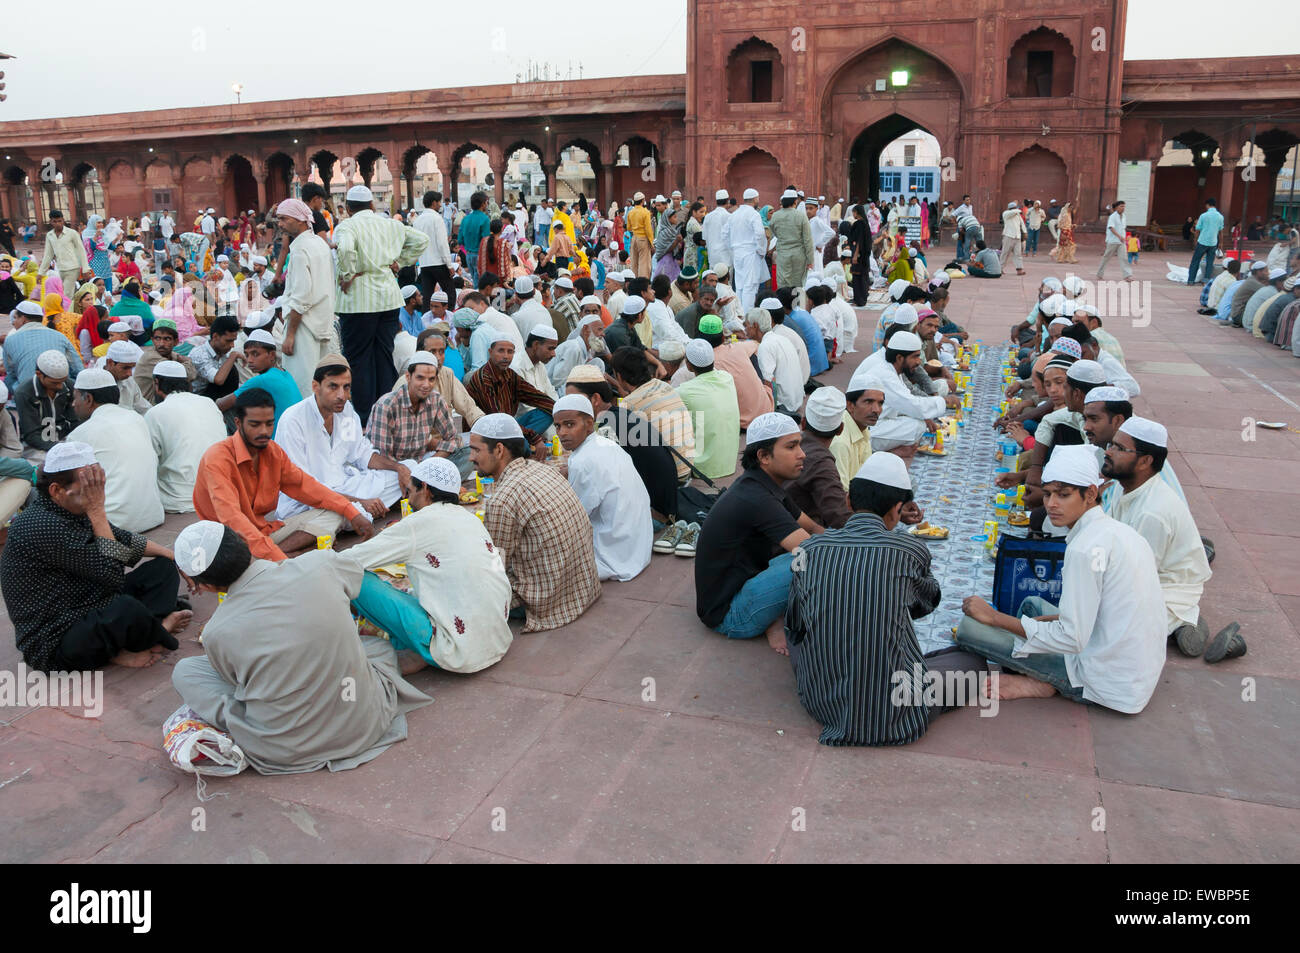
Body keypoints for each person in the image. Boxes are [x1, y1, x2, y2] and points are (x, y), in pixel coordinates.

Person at [170, 522, 430, 774]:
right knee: (372, 647)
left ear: (207, 586)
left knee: (186, 672)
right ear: (245, 542)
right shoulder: (321, 563)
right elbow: (354, 579)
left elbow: (233, 680)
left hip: (285, 747)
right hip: (365, 724)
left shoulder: (217, 631)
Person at [956, 446, 1167, 711]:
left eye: (1063, 495)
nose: (1051, 504)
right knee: (1032, 605)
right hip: (1135, 672)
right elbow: (1107, 609)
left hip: (1106, 681)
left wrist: (994, 618)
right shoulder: (1118, 532)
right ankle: (1041, 674)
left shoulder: (1085, 548)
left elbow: (1072, 639)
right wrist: (1048, 620)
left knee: (970, 628)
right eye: (1048, 494)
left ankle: (1048, 683)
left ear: (1090, 494)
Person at [788, 451, 970, 745]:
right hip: (898, 714)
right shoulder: (910, 549)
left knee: (798, 642)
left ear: (849, 500)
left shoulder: (810, 549)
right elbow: (927, 602)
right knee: (969, 661)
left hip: (822, 703)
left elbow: (796, 623)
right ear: (897, 509)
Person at [0, 443, 192, 671]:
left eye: (98, 486)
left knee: (163, 569)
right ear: (56, 491)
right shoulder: (42, 524)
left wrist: (175, 557)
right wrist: (97, 511)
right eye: (89, 489)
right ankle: (160, 628)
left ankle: (135, 636)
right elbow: (113, 577)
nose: (96, 495)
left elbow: (121, 540)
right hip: (56, 638)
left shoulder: (71, 507)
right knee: (125, 608)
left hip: (89, 600)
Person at [344, 457, 513, 674]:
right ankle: (421, 648)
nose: (407, 495)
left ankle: (428, 649)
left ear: (424, 488)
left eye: (409, 489)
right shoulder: (470, 518)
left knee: (354, 577)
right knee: (413, 590)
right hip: (498, 639)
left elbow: (349, 561)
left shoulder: (418, 523)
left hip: (459, 653)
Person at [1103, 417, 1243, 663]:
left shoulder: (1152, 512)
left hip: (1169, 585)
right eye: (1111, 445)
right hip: (1143, 572)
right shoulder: (1123, 485)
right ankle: (1178, 621)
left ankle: (1185, 618)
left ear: (1145, 461)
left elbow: (1137, 576)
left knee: (1113, 630)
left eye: (1119, 448)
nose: (1109, 452)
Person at [694, 412, 825, 654]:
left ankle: (772, 618)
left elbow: (814, 529)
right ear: (763, 456)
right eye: (791, 446)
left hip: (747, 583)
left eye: (800, 444)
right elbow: (816, 554)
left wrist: (849, 541)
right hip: (728, 614)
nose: (802, 454)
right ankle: (768, 619)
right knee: (818, 563)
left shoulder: (764, 484)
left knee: (817, 554)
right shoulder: (756, 498)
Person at [193, 388, 374, 561]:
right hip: (228, 542)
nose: (264, 431)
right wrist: (284, 563)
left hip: (264, 533)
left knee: (335, 513)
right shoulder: (217, 459)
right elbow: (232, 520)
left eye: (269, 424)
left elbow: (308, 487)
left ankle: (275, 557)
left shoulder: (272, 452)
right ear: (238, 423)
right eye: (255, 425)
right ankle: (279, 558)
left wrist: (352, 512)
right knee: (235, 561)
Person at [469, 413, 601, 631]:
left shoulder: (502, 500)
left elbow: (493, 567)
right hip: (582, 588)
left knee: (466, 578)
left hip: (546, 600)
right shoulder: (544, 469)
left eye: (476, 450)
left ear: (499, 450)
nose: (470, 458)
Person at [275, 355, 415, 529]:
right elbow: (302, 486)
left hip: (346, 486)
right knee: (352, 513)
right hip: (307, 502)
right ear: (315, 387)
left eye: (346, 387)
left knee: (412, 469)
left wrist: (399, 468)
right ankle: (356, 514)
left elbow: (361, 454)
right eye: (333, 386)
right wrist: (359, 502)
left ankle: (360, 512)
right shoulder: (293, 420)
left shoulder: (346, 412)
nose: (342, 396)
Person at [333, 185, 429, 421]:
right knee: (384, 356)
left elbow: (344, 249)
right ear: (372, 205)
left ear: (347, 208)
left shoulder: (348, 225)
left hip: (358, 299)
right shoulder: (390, 224)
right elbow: (421, 240)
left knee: (359, 359)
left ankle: (366, 417)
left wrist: (347, 275)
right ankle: (387, 413)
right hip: (387, 297)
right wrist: (400, 261)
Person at [553, 394, 653, 581]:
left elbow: (577, 518)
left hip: (616, 554)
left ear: (589, 423)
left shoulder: (584, 461)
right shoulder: (605, 444)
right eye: (557, 426)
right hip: (638, 545)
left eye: (569, 424)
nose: (562, 433)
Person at [66, 367, 165, 533]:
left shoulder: (80, 434)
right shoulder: (137, 419)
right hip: (152, 516)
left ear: (88, 399)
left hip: (113, 525)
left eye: (75, 397)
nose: (73, 404)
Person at [144, 360, 227, 513]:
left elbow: (148, 463)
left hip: (180, 500)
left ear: (157, 383)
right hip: (220, 495)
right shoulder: (208, 403)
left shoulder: (156, 413)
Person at [365, 352, 465, 471]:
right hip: (392, 469)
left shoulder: (436, 400)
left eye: (431, 379)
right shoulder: (387, 405)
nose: (426, 385)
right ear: (408, 376)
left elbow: (454, 439)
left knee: (467, 454)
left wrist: (430, 463)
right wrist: (404, 471)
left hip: (422, 463)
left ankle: (427, 484)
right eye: (420, 378)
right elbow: (380, 458)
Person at [465, 334, 555, 444]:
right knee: (519, 445)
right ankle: (522, 445)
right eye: (501, 351)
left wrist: (562, 410)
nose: (506, 356)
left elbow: (535, 396)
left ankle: (522, 443)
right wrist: (535, 437)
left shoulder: (510, 374)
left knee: (548, 411)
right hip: (488, 434)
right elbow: (499, 420)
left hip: (508, 426)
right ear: (490, 352)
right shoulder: (484, 378)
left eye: (510, 352)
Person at [785, 387, 854, 529]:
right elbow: (839, 518)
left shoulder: (787, 446)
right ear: (841, 429)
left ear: (803, 423)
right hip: (790, 541)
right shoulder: (821, 463)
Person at [675, 338, 740, 480]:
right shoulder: (727, 378)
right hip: (729, 463)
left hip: (703, 468)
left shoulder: (684, 390)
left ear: (689, 365)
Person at [216, 329, 301, 434]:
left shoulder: (263, 380)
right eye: (247, 355)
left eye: (255, 354)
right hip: (295, 434)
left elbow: (220, 405)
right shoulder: (285, 374)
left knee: (228, 410)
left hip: (277, 440)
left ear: (272, 355)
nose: (249, 360)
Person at [4, 299, 84, 391]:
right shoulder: (60, 336)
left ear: (23, 319)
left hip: (27, 391)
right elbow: (77, 368)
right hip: (60, 388)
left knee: (8, 379)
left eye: (15, 318)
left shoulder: (10, 339)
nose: (13, 322)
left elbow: (11, 371)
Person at [14, 350, 77, 461]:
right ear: (39, 374)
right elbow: (31, 434)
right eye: (54, 383)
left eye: (62, 381)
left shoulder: (69, 386)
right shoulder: (24, 393)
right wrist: (57, 449)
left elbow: (75, 422)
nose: (59, 386)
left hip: (65, 440)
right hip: (36, 446)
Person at [830, 374, 884, 489]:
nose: (876, 410)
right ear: (850, 405)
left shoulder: (862, 427)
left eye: (880, 403)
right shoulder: (840, 443)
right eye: (868, 402)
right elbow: (841, 494)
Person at [728, 188, 768, 311]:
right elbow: (760, 234)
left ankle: (740, 314)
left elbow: (724, 233)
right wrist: (761, 251)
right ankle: (747, 316)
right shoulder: (753, 214)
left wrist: (733, 247)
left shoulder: (734, 214)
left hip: (738, 252)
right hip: (751, 252)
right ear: (755, 199)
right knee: (750, 286)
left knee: (740, 286)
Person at [414, 190, 456, 304]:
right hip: (439, 263)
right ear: (434, 203)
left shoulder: (417, 220)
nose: (440, 205)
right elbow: (442, 244)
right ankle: (449, 318)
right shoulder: (437, 219)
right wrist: (449, 265)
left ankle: (427, 319)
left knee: (427, 296)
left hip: (425, 263)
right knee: (450, 294)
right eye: (439, 202)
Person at [770, 190, 814, 288]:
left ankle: (784, 302)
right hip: (799, 255)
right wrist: (810, 259)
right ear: (795, 201)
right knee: (797, 284)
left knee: (782, 282)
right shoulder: (801, 216)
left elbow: (774, 232)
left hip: (782, 254)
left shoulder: (775, 216)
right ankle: (796, 303)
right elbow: (808, 240)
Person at [37, 211, 91, 290]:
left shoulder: (72, 233)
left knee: (66, 293)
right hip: (60, 269)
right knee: (66, 292)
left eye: (60, 221)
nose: (58, 224)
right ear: (51, 222)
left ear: (63, 220)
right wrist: (41, 272)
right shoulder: (50, 235)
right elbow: (48, 255)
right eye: (55, 221)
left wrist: (85, 269)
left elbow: (81, 251)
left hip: (73, 267)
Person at [1096, 200, 1131, 280]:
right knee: (1106, 257)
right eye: (1121, 206)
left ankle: (1127, 275)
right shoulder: (1113, 216)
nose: (1123, 208)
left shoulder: (1124, 216)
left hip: (1121, 241)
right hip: (1112, 240)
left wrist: (1125, 237)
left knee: (1124, 258)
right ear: (1116, 208)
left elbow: (1123, 228)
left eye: (1124, 206)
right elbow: (1111, 228)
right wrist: (1119, 236)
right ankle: (1099, 273)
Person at [999, 201, 1027, 275]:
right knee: (1005, 253)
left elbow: (1022, 224)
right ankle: (999, 269)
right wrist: (1019, 209)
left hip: (1017, 236)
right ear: (1010, 208)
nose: (1015, 209)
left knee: (1018, 254)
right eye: (1014, 208)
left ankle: (1019, 269)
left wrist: (1025, 232)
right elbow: (1013, 212)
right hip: (1008, 236)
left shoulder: (1018, 215)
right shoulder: (1006, 213)